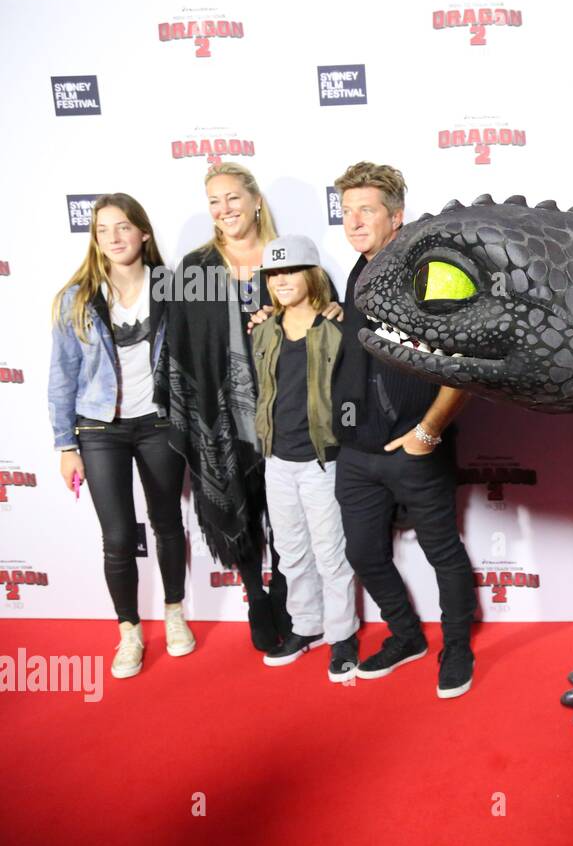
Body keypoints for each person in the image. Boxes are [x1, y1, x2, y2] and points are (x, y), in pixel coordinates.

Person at [156, 162, 318, 652]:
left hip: (283, 406)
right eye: (214, 201)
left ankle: (287, 593)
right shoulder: (195, 267)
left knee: (288, 514)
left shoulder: (284, 256)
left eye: (232, 198)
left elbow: (318, 311)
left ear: (255, 202)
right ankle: (254, 595)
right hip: (221, 413)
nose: (225, 209)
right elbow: (179, 341)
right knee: (239, 506)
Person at [332, 161, 477, 697]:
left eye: (365, 210)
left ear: (396, 216)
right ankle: (407, 636)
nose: (353, 221)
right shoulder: (354, 272)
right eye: (346, 212)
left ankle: (457, 647)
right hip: (358, 450)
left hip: (417, 447)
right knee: (364, 553)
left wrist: (429, 432)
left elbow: (464, 359)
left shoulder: (430, 271)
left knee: (443, 553)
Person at [48, 193, 194, 679]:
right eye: (103, 229)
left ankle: (175, 613)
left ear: (143, 233)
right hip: (98, 428)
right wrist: (65, 444)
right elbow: (62, 376)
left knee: (167, 521)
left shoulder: (174, 287)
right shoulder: (77, 298)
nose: (114, 238)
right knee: (115, 536)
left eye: (124, 228)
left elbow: (204, 345)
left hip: (158, 422)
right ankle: (128, 631)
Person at [251, 235, 360, 680]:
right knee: (290, 553)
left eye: (289, 271)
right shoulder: (262, 329)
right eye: (273, 274)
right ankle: (306, 626)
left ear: (311, 274)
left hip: (323, 460)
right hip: (277, 460)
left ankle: (342, 635)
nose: (280, 281)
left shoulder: (337, 325)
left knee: (331, 555)